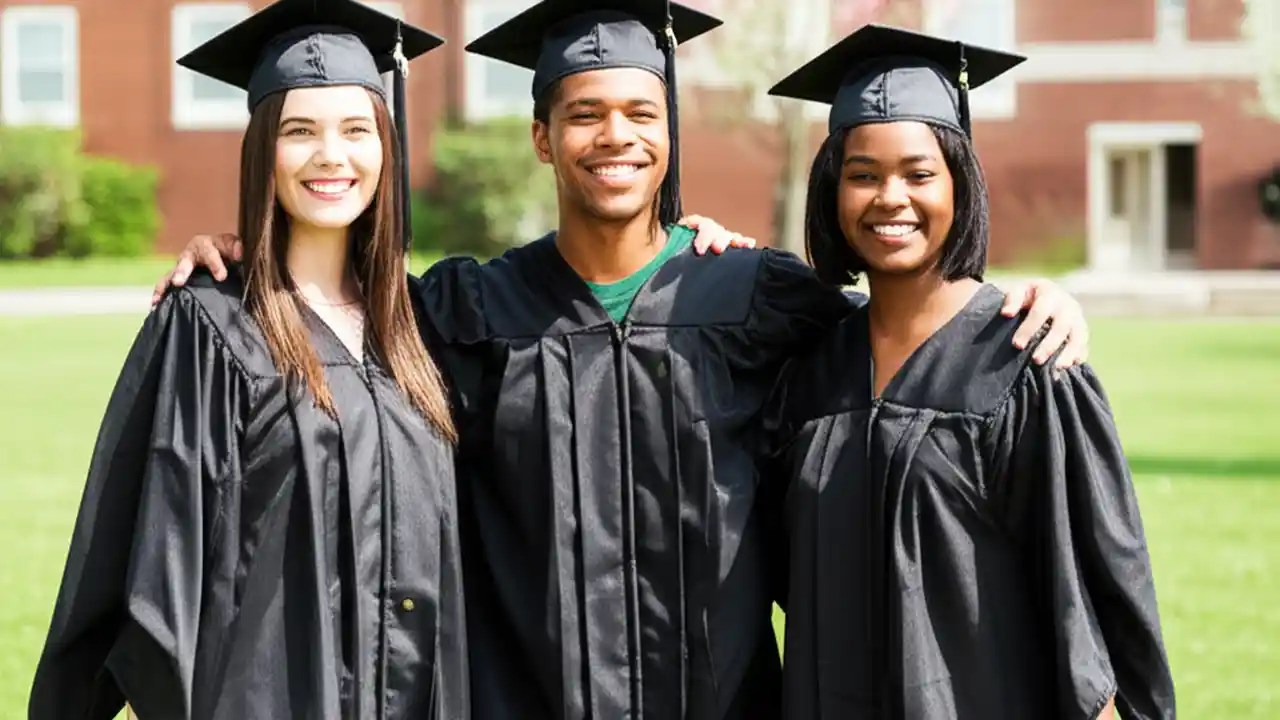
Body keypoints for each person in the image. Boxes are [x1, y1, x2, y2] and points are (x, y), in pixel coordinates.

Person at [155, 2, 1092, 717]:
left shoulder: (752, 300)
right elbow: (342, 312)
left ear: (668, 133)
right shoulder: (464, 310)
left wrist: (1023, 301)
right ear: (541, 138)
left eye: (641, 111)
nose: (616, 136)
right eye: (585, 113)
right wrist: (239, 257)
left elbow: (900, 325)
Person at [28, 1, 468, 718]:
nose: (332, 154)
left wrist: (698, 254)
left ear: (387, 148)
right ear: (264, 151)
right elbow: (150, 559)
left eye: (356, 129)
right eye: (300, 131)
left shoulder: (427, 326)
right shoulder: (210, 328)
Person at [762, 24, 1175, 719]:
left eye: (920, 174)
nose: (891, 197)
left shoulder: (1027, 364)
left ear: (960, 184)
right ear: (833, 192)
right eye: (863, 174)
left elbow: (1087, 601)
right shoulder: (808, 370)